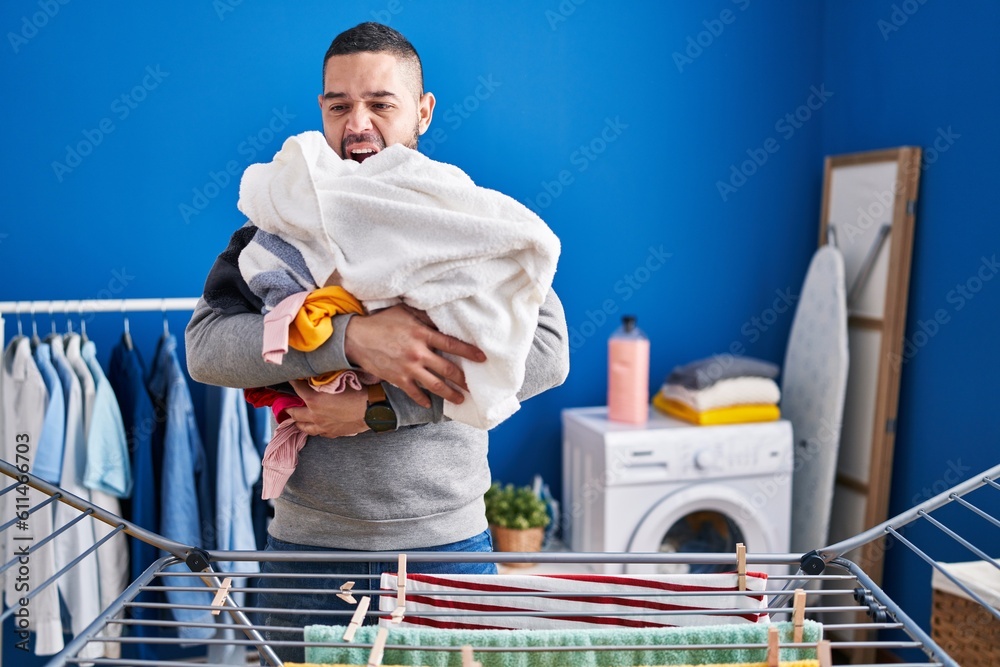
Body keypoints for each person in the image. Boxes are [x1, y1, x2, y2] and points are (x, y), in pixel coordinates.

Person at [185, 22, 569, 662]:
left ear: (422, 113)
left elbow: (547, 354)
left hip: (445, 549)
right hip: (309, 553)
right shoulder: (282, 223)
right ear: (321, 112)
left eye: (381, 104)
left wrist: (378, 408)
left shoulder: (467, 217)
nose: (357, 123)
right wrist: (353, 339)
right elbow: (206, 349)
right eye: (339, 105)